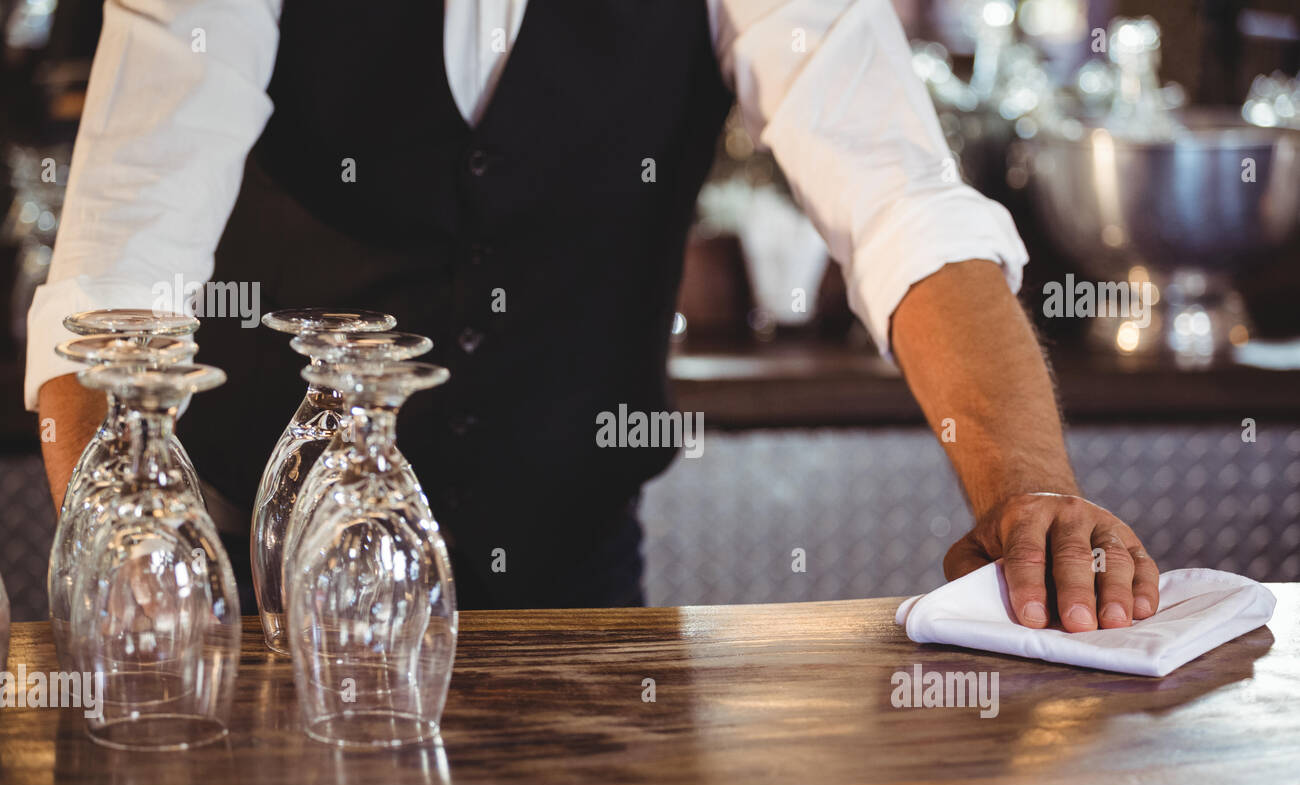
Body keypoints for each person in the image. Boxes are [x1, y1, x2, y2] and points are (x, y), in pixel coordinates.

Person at [27, 0, 1160, 626]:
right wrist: (118, 566)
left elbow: (901, 202)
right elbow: (120, 264)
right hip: (263, 580)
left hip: (573, 586)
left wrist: (1028, 493)